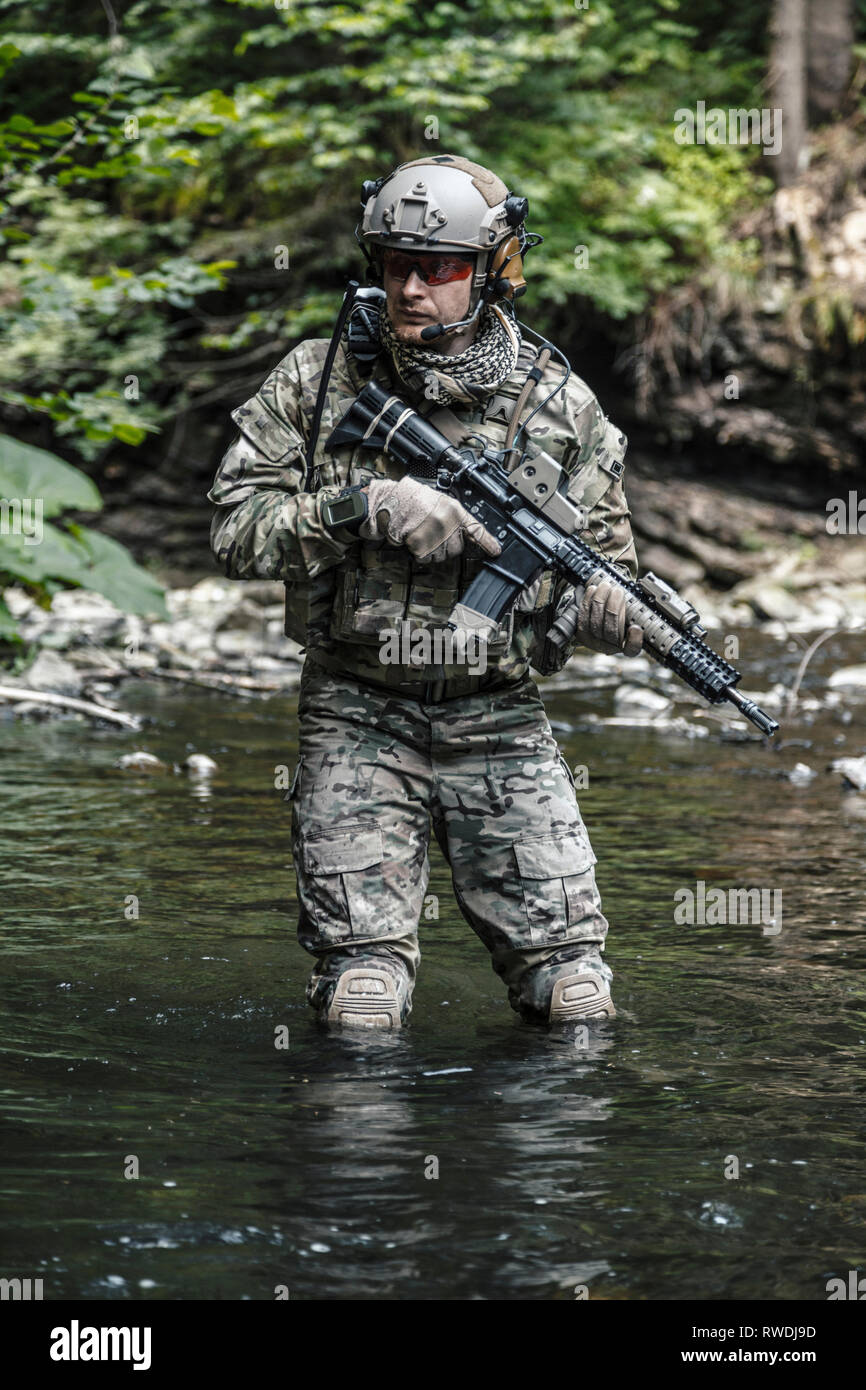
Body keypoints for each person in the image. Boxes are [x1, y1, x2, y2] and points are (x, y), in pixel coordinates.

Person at [207, 154, 643, 1030]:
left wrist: (599, 611)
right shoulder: (315, 378)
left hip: (500, 718)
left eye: (439, 269)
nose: (411, 289)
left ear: (492, 272)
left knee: (577, 998)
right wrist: (362, 506)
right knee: (362, 1003)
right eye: (396, 265)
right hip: (356, 709)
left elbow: (608, 566)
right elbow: (232, 534)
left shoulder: (558, 405)